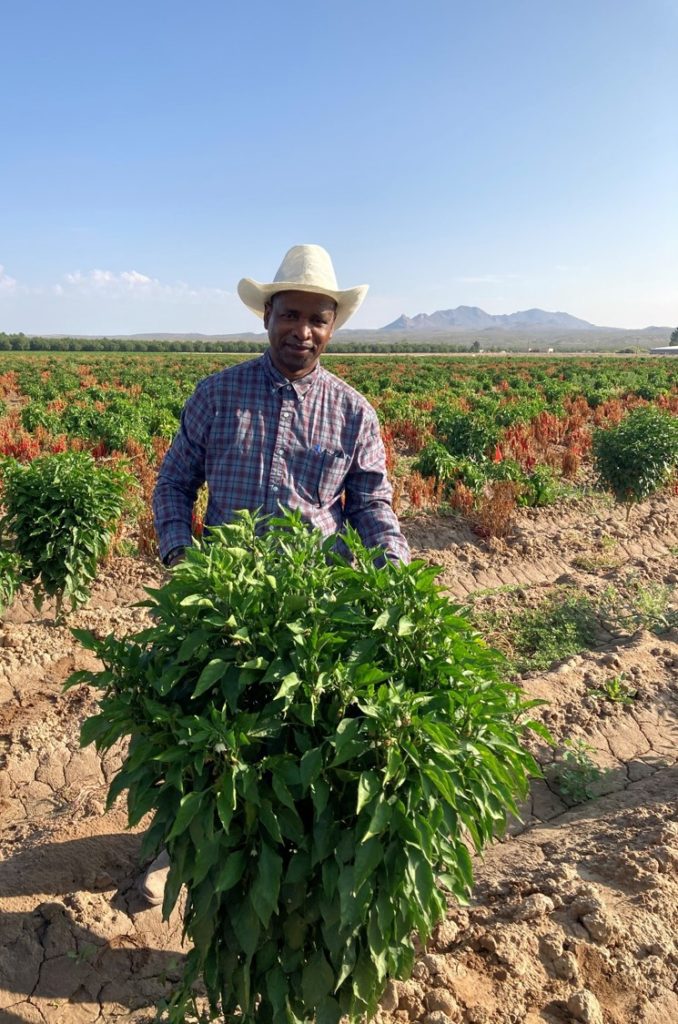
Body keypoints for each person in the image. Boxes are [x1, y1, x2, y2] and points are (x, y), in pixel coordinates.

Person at [142, 244, 409, 904]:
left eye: (319, 319)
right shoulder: (217, 393)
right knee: (202, 729)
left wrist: (397, 580)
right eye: (291, 315)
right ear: (267, 316)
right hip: (223, 598)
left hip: (314, 607)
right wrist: (181, 556)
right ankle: (176, 846)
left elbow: (372, 506)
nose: (304, 331)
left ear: (333, 326)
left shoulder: (354, 413)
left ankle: (288, 862)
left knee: (301, 738)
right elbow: (175, 482)